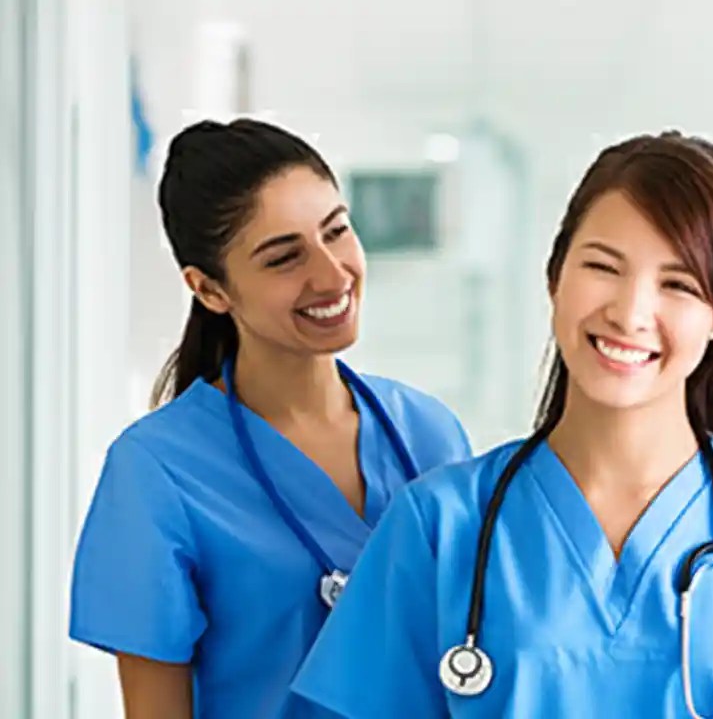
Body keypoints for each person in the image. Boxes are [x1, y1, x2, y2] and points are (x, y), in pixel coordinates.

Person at [289, 131, 713, 718]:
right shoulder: (441, 527)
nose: (632, 313)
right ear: (555, 278)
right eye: (604, 268)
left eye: (679, 285)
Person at [68, 118, 473, 718]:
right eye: (285, 258)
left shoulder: (429, 434)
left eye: (336, 231)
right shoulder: (156, 472)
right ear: (210, 290)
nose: (332, 274)